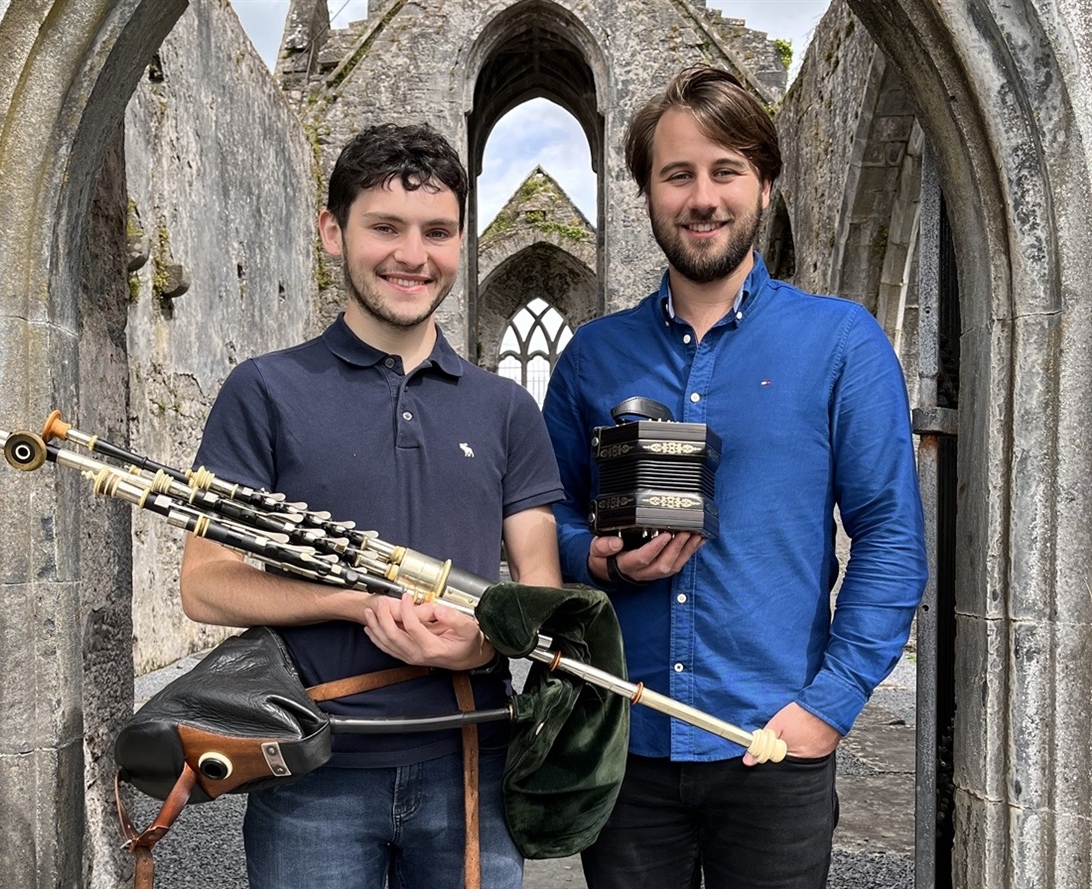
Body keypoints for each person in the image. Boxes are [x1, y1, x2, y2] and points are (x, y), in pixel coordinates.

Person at [541, 65, 928, 889]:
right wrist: (599, 559)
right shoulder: (592, 356)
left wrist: (831, 703)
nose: (703, 197)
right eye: (677, 174)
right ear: (646, 191)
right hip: (627, 736)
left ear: (763, 182)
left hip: (773, 744)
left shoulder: (840, 344)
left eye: (726, 171)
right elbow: (544, 521)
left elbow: (891, 533)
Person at [181, 122, 564, 889]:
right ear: (333, 231)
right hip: (313, 765)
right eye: (384, 227)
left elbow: (543, 593)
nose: (412, 256)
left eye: (436, 232)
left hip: (475, 765)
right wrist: (353, 603)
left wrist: (485, 644)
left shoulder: (508, 409)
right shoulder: (263, 390)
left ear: (460, 241)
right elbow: (206, 582)